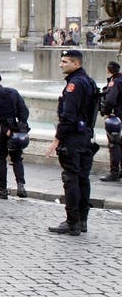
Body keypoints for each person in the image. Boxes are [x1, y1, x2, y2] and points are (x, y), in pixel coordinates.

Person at [46, 49, 100, 235]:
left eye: (65, 61)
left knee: (71, 179)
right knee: (83, 179)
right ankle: (82, 220)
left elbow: (68, 116)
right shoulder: (89, 82)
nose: (61, 64)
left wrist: (57, 139)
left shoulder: (74, 85)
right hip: (86, 136)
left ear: (76, 64)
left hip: (73, 138)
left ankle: (72, 222)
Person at [0, 71, 30, 199]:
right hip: (15, 129)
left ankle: (2, 189)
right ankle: (21, 186)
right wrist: (21, 126)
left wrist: (4, 130)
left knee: (0, 158)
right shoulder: (13, 92)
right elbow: (24, 111)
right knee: (17, 157)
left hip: (1, 131)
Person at [99, 61, 122, 182]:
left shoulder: (114, 82)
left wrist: (107, 112)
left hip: (116, 117)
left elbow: (110, 100)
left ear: (109, 70)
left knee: (114, 144)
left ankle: (114, 172)